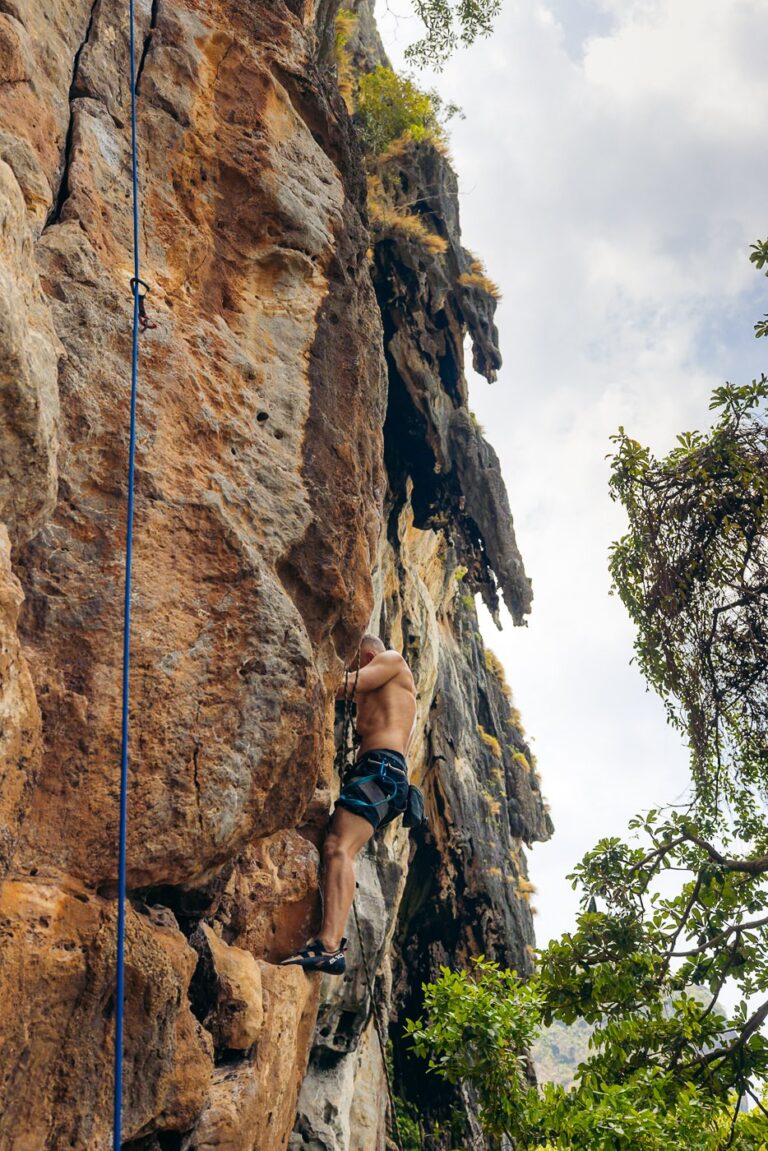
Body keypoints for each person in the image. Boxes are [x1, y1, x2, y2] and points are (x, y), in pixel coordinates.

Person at [281, 634, 417, 975]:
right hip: (378, 773)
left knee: (339, 847)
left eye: (355, 660)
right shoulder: (385, 691)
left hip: (381, 771)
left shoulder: (392, 661)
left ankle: (329, 946)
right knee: (334, 845)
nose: (354, 667)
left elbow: (348, 684)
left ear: (369, 654)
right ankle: (327, 942)